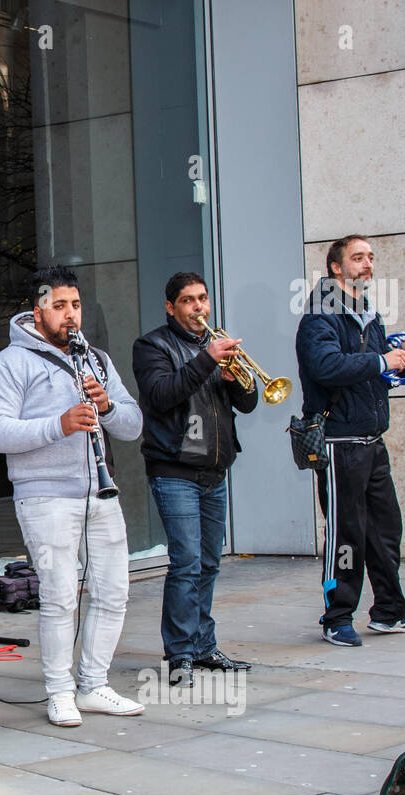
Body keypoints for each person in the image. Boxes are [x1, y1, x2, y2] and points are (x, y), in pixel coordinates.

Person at [0, 266, 144, 727]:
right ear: (39, 311)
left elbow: (133, 428)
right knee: (59, 595)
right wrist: (60, 424)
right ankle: (59, 692)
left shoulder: (96, 359)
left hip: (100, 490)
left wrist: (107, 406)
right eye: (60, 306)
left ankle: (94, 685)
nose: (71, 315)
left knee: (114, 591)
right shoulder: (10, 363)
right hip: (45, 496)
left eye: (75, 305)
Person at [295, 235, 405, 647]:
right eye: (357, 257)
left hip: (372, 439)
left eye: (370, 257)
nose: (367, 263)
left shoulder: (366, 313)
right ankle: (337, 618)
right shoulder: (320, 315)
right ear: (336, 267)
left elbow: (379, 374)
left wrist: (404, 359)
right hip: (340, 441)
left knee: (387, 529)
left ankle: (389, 611)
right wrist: (379, 360)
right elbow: (325, 366)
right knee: (345, 534)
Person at [132, 273, 256, 686]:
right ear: (171, 308)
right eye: (188, 301)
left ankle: (204, 646)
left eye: (202, 298)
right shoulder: (152, 346)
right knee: (185, 564)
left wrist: (236, 379)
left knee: (208, 564)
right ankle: (180, 653)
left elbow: (251, 402)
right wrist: (207, 362)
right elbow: (161, 394)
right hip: (175, 470)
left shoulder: (214, 349)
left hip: (214, 469)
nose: (198, 307)